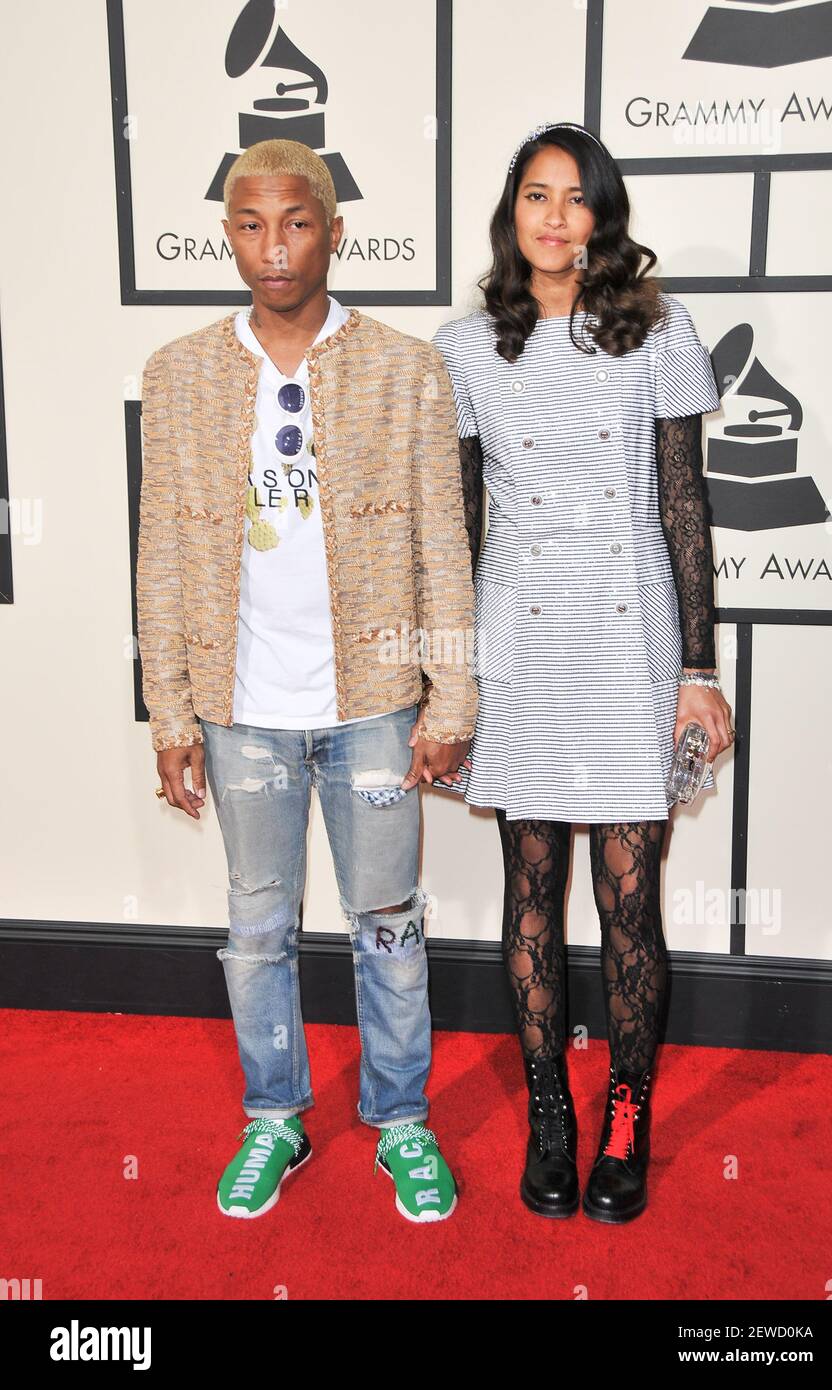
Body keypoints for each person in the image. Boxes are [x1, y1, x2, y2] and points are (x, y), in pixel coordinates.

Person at [136, 139, 478, 1223]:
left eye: (294, 222)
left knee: (386, 919)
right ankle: (274, 1115)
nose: (271, 246)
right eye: (249, 223)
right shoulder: (182, 371)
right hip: (241, 715)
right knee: (256, 927)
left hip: (372, 703)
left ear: (333, 231)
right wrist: (170, 710)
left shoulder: (402, 365)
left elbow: (442, 539)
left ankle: (402, 1119)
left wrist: (451, 695)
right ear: (226, 233)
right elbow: (159, 550)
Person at [432, 121, 735, 1222]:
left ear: (602, 217)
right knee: (527, 896)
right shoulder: (465, 347)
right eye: (534, 196)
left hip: (627, 631)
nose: (554, 217)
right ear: (509, 214)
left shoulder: (657, 330)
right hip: (520, 630)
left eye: (575, 198)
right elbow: (457, 528)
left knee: (625, 901)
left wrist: (697, 667)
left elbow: (683, 504)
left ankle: (627, 1113)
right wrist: (446, 680)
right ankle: (550, 1115)